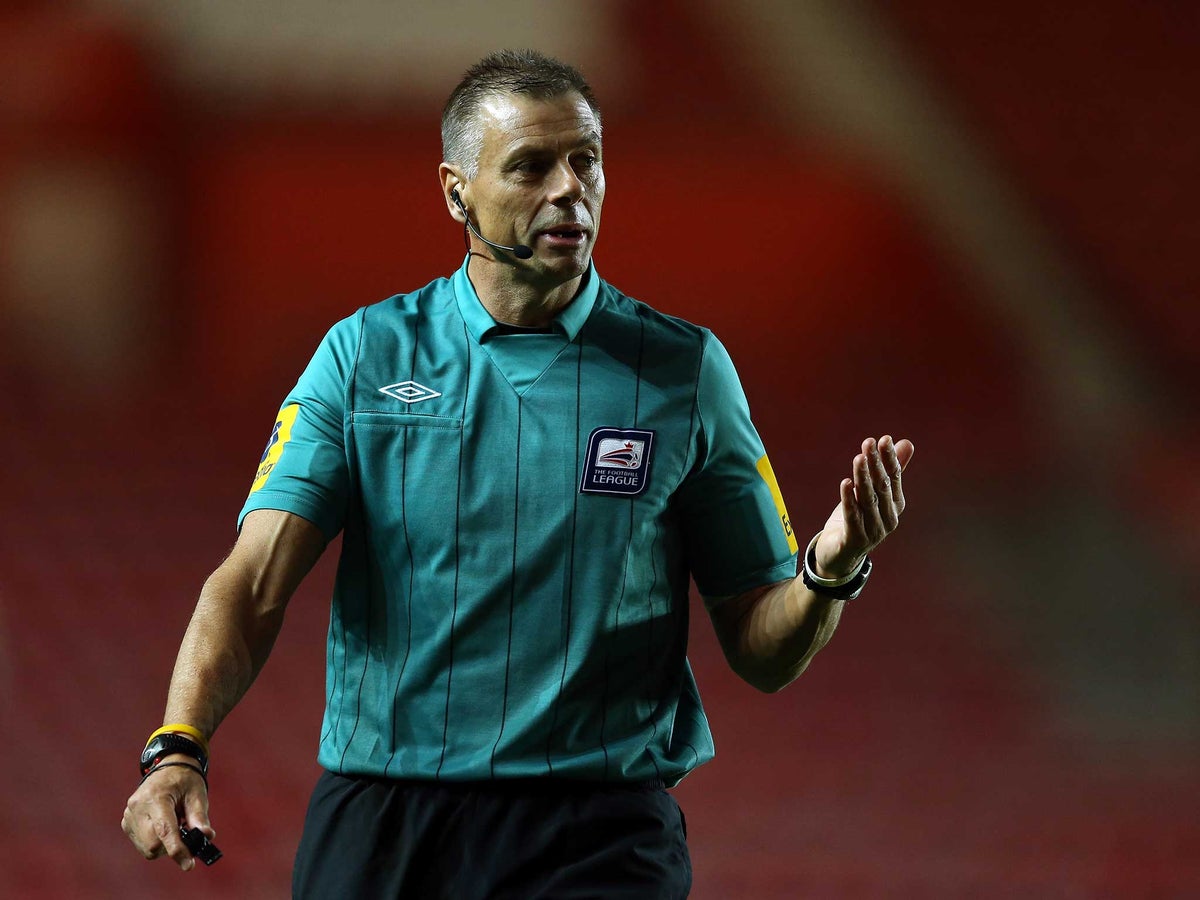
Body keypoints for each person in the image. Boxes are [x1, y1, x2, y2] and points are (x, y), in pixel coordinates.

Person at [122, 49, 913, 898]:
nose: (570, 188)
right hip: (385, 823)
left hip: (598, 835)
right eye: (532, 166)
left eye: (586, 160)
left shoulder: (684, 373)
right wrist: (178, 747)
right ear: (456, 191)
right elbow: (251, 583)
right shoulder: (362, 358)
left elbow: (763, 648)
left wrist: (829, 569)